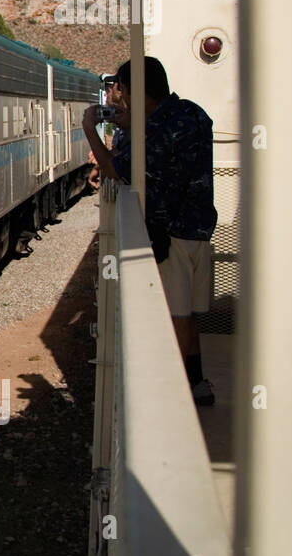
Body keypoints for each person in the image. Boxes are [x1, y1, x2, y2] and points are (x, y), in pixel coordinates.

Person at [82, 57, 218, 406]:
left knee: (177, 316)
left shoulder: (156, 130)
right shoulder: (192, 113)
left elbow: (115, 170)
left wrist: (89, 130)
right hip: (200, 230)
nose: (120, 97)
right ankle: (196, 382)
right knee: (189, 314)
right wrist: (134, 123)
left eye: (123, 89)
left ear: (135, 90)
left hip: (170, 232)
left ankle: (172, 397)